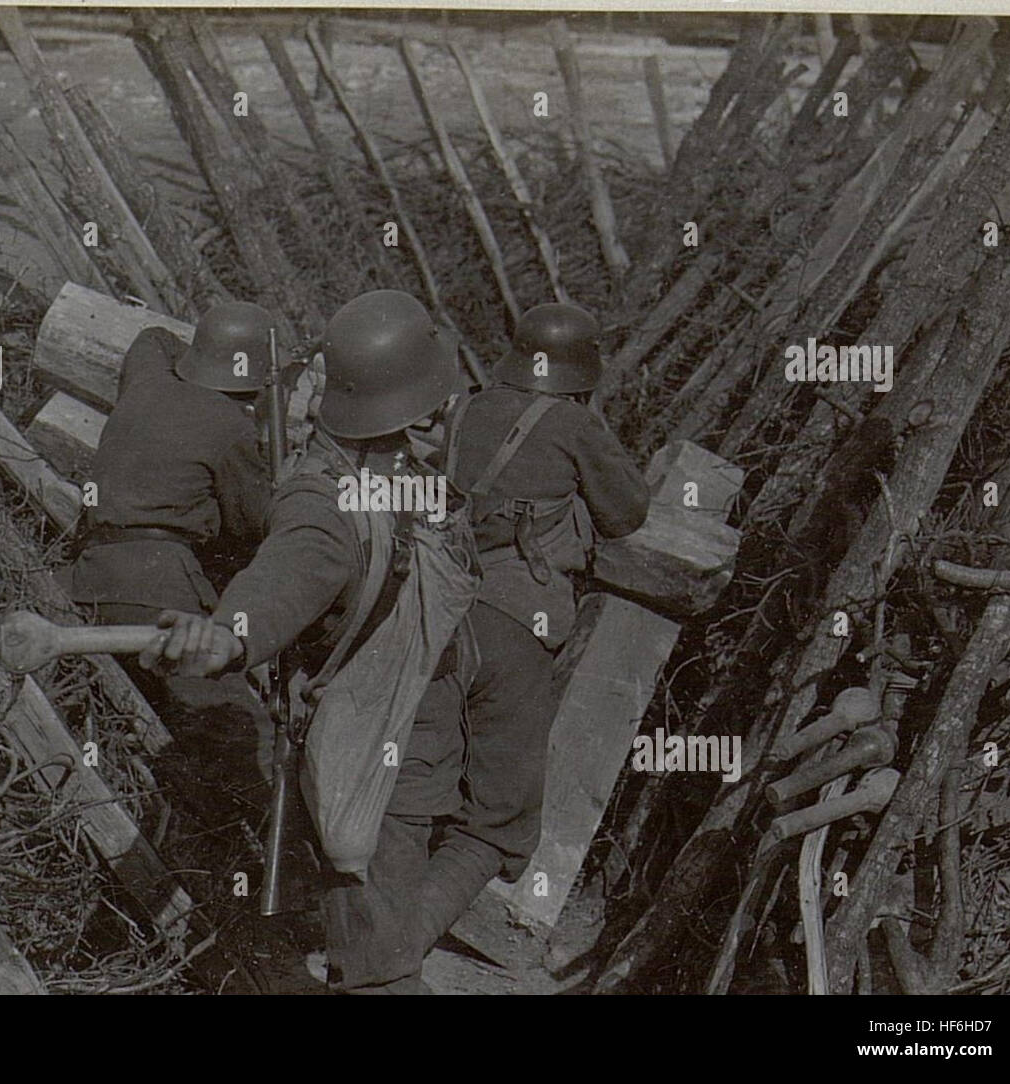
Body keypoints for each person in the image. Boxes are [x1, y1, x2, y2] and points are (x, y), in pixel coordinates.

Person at [138, 289, 474, 994]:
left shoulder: (396, 473)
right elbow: (288, 574)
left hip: (418, 747)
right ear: (419, 408)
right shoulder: (323, 502)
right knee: (381, 971)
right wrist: (231, 636)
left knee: (386, 938)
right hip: (376, 767)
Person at [418, 301, 650, 951]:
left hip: (436, 608)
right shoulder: (573, 424)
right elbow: (629, 512)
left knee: (420, 780)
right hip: (514, 621)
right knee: (502, 818)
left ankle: (382, 923)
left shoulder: (466, 406)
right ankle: (396, 946)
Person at [57, 301, 274, 704]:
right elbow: (255, 527)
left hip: (85, 576)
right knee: (236, 733)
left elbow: (152, 337)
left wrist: (205, 353)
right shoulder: (233, 426)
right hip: (158, 590)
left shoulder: (148, 378)